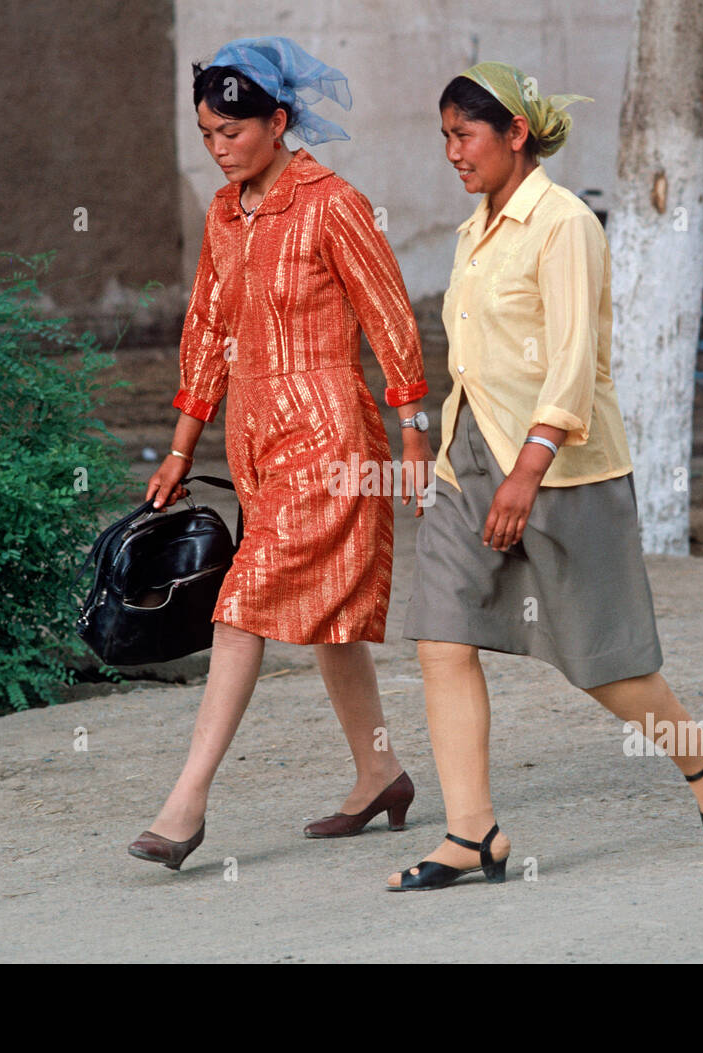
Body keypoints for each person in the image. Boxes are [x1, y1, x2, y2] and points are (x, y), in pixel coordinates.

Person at [387, 61, 703, 891]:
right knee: (441, 637)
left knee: (604, 661)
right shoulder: (477, 229)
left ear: (516, 134)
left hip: (560, 468)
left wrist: (527, 472)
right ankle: (472, 832)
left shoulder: (564, 224)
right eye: (444, 136)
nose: (452, 152)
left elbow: (574, 362)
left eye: (464, 134)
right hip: (470, 456)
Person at [128, 37, 433, 870]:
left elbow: (391, 315)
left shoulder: (334, 204)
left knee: (244, 601)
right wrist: (181, 446)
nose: (220, 147)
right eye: (207, 135)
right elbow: (206, 329)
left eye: (233, 131)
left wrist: (413, 430)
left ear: (279, 121)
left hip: (331, 431)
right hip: (255, 436)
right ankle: (380, 772)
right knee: (331, 616)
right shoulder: (223, 216)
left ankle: (185, 805)